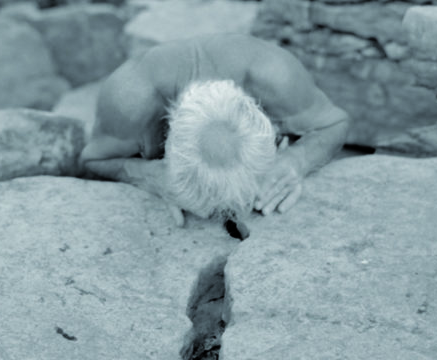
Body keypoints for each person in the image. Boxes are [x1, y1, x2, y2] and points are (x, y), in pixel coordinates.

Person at [80, 34, 349, 227]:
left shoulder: (275, 74)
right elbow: (93, 159)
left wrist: (295, 161)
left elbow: (334, 123)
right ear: (168, 143)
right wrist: (149, 174)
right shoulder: (128, 99)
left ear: (268, 127)